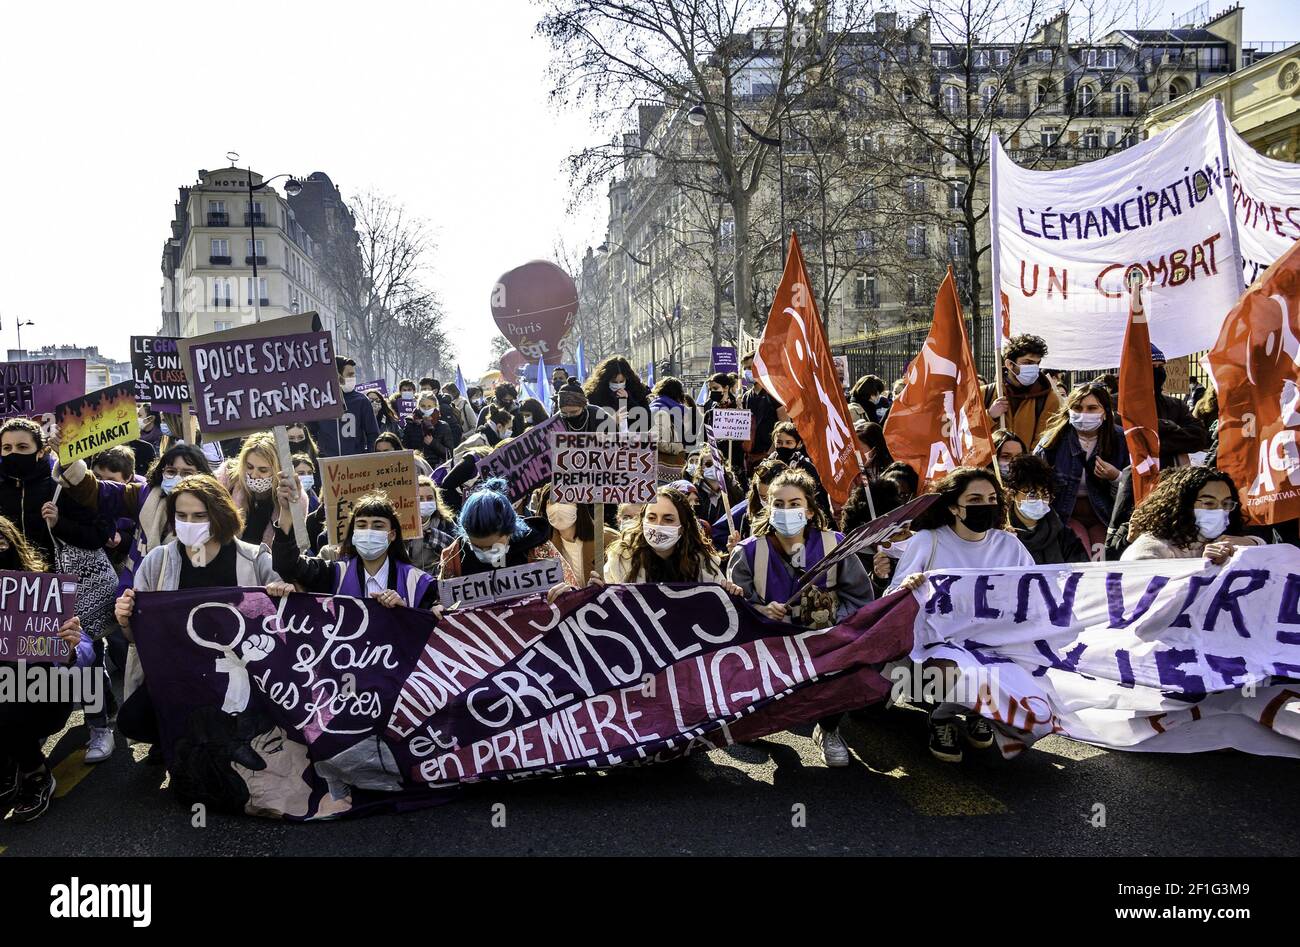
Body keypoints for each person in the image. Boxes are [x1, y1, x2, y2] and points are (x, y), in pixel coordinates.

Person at [113, 474, 281, 760]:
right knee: (132, 719)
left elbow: (281, 620)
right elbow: (137, 638)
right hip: (180, 675)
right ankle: (181, 736)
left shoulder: (255, 558)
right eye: (182, 515)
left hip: (239, 677)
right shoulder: (158, 560)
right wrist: (126, 619)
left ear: (219, 514)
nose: (189, 523)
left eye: (199, 515)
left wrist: (283, 590)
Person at [727, 468, 875, 768]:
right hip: (770, 646)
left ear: (809, 511)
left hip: (825, 643)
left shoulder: (835, 546)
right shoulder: (749, 552)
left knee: (851, 664)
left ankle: (829, 729)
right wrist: (761, 611)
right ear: (768, 509)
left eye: (794, 504)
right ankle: (755, 719)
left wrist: (831, 620)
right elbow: (733, 608)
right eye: (777, 504)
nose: (785, 510)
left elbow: (862, 599)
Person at [888, 466, 1034, 764]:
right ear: (954, 506)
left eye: (992, 498)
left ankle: (976, 710)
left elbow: (1036, 592)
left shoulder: (1009, 545)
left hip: (993, 642)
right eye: (976, 499)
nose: (986, 506)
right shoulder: (928, 541)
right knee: (961, 671)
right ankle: (941, 719)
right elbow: (891, 597)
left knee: (1026, 670)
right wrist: (907, 586)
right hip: (937, 644)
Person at [0, 515, 87, 822]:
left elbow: (84, 651)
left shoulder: (41, 591)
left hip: (45, 694)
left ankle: (35, 771)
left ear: (14, 546)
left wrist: (70, 645)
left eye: (1, 543)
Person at [269, 480, 440, 610]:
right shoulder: (334, 574)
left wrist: (405, 612)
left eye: (378, 526)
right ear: (353, 534)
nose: (369, 531)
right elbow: (288, 564)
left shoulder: (419, 583)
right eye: (362, 525)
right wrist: (287, 512)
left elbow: (436, 628)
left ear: (392, 535)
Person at [1033, 383, 1127, 559]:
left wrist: (1116, 477)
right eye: (1077, 408)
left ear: (1105, 412)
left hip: (1105, 516)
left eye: (1092, 408)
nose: (1084, 414)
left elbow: (1136, 488)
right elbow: (1034, 483)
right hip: (1066, 515)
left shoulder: (1122, 441)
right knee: (1080, 555)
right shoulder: (1052, 442)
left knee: (1101, 557)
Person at [0, 418, 110, 568]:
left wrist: (59, 524)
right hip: (9, 584)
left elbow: (98, 535)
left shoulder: (62, 485)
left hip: (55, 582)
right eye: (7, 448)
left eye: (22, 447)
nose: (14, 453)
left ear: (40, 452)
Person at [605, 486, 739, 592]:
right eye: (652, 518)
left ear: (683, 527)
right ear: (642, 521)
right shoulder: (620, 560)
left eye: (668, 519)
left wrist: (730, 591)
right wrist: (596, 590)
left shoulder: (704, 564)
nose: (658, 525)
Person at [1120, 467, 1263, 563]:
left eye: (1226, 504)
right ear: (1182, 504)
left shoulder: (1222, 540)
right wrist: (1202, 568)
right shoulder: (1151, 549)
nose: (1220, 511)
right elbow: (1137, 593)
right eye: (1208, 503)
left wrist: (1253, 544)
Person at [438, 478, 555, 578]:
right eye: (477, 547)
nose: (485, 553)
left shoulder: (538, 550)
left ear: (510, 532)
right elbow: (444, 597)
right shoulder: (453, 557)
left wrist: (562, 592)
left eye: (492, 547)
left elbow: (568, 594)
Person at [216, 432, 308, 547]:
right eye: (249, 467)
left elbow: (291, 545)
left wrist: (287, 509)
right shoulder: (228, 481)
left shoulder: (290, 494)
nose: (254, 475)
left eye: (263, 470)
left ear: (277, 469)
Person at [535, 482, 619, 598]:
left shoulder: (608, 539)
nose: (558, 507)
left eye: (565, 500)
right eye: (553, 502)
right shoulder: (539, 549)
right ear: (545, 507)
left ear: (578, 505)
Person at [1004, 454, 1088, 565]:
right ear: (1013, 494)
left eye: (1045, 495)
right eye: (1032, 494)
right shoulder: (1001, 535)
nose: (1040, 501)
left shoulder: (1063, 536)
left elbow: (1081, 572)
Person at [983, 334, 1062, 449]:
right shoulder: (984, 394)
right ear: (1009, 364)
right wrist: (989, 416)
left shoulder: (1048, 399)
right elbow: (969, 433)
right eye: (1028, 363)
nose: (1033, 368)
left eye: (1036, 363)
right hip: (991, 465)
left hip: (1026, 465)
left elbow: (1044, 443)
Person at [1150, 345, 1210, 466]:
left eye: (1160, 366)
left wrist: (1156, 441)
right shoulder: (1119, 406)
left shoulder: (1174, 405)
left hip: (1170, 477)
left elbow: (1199, 436)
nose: (1158, 371)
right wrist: (1172, 429)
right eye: (1152, 367)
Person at [312, 356, 379, 457]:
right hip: (328, 462)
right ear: (337, 375)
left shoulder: (362, 401)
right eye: (349, 375)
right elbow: (311, 432)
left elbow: (372, 433)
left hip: (355, 461)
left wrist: (369, 457)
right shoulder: (320, 401)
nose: (353, 378)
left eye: (353, 375)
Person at [584, 356, 651, 433]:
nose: (618, 385)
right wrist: (611, 420)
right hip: (608, 441)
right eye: (614, 382)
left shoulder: (637, 391)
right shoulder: (595, 395)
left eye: (622, 381)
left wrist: (629, 401)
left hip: (634, 440)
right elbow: (591, 426)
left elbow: (647, 422)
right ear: (606, 380)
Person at [741, 351, 780, 473]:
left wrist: (771, 453)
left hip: (768, 455)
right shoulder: (746, 396)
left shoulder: (775, 394)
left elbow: (784, 425)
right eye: (745, 368)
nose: (748, 371)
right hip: (750, 457)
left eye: (751, 367)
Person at [409, 475, 456, 572]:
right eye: (420, 499)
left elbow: (456, 549)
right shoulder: (404, 526)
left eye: (430, 498)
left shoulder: (445, 522)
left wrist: (434, 536)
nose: (425, 502)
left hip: (437, 575)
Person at [402, 394, 455, 466]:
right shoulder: (411, 424)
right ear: (418, 406)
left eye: (429, 406)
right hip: (415, 465)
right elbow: (404, 448)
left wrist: (433, 443)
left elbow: (449, 454)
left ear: (435, 406)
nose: (426, 409)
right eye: (423, 406)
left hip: (436, 467)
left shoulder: (443, 426)